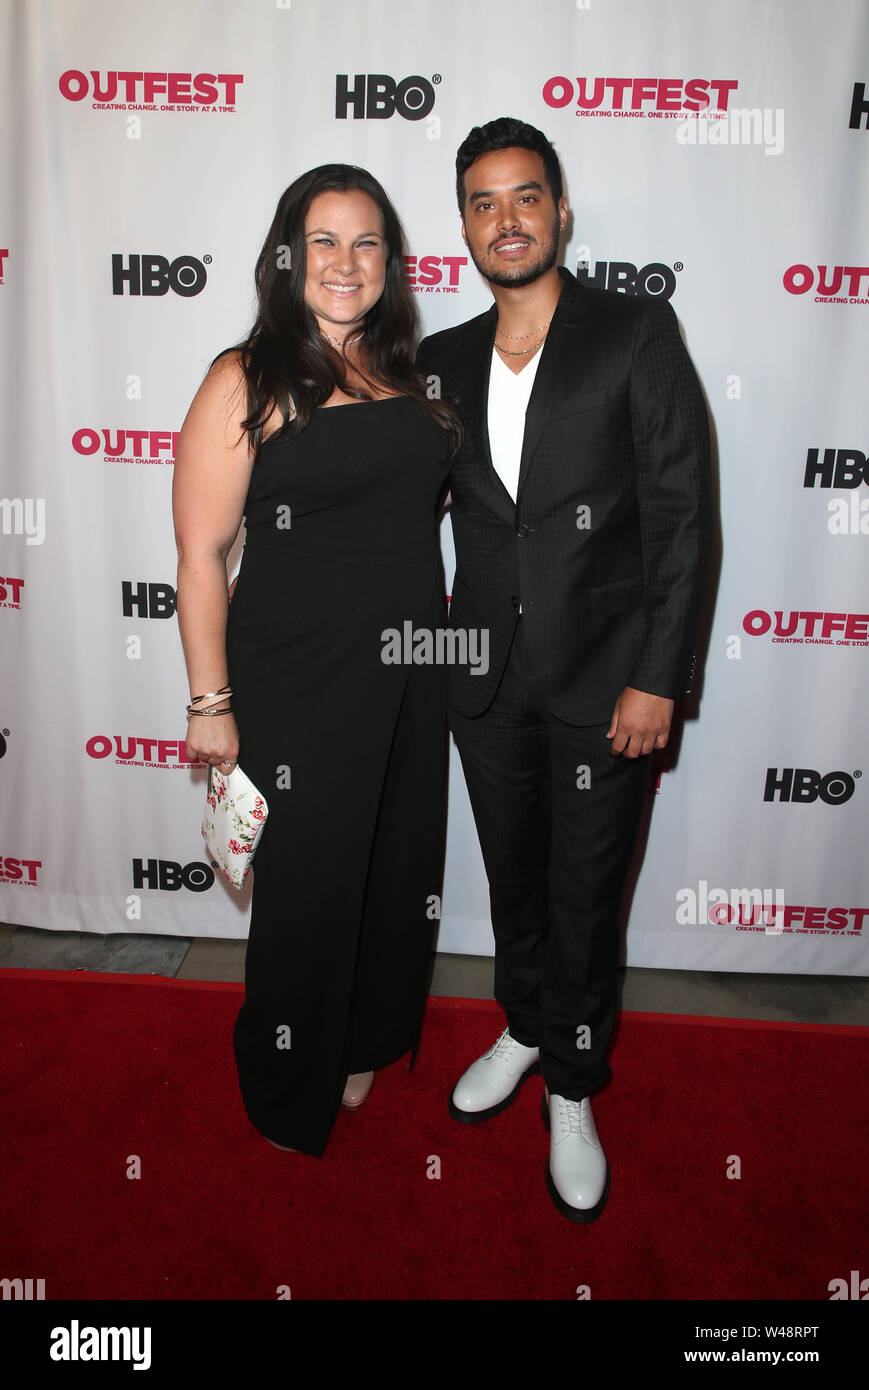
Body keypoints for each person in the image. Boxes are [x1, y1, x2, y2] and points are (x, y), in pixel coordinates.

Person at [416, 118, 712, 1221]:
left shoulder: (632, 333)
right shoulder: (438, 358)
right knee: (513, 879)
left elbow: (681, 518)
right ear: (463, 227)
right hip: (483, 682)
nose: (507, 218)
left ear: (560, 211)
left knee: (588, 894)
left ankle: (574, 1082)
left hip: (605, 685)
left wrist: (657, 676)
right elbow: (393, 512)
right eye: (484, 202)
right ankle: (526, 1025)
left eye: (525, 196)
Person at [172, 164, 460, 1157]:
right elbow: (201, 558)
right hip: (297, 677)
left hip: (409, 671)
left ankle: (364, 1036)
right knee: (307, 885)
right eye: (324, 240)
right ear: (287, 256)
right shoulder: (245, 378)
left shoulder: (409, 377)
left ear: (391, 260)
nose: (346, 262)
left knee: (392, 864)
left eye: (367, 240)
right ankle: (289, 1069)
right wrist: (210, 703)